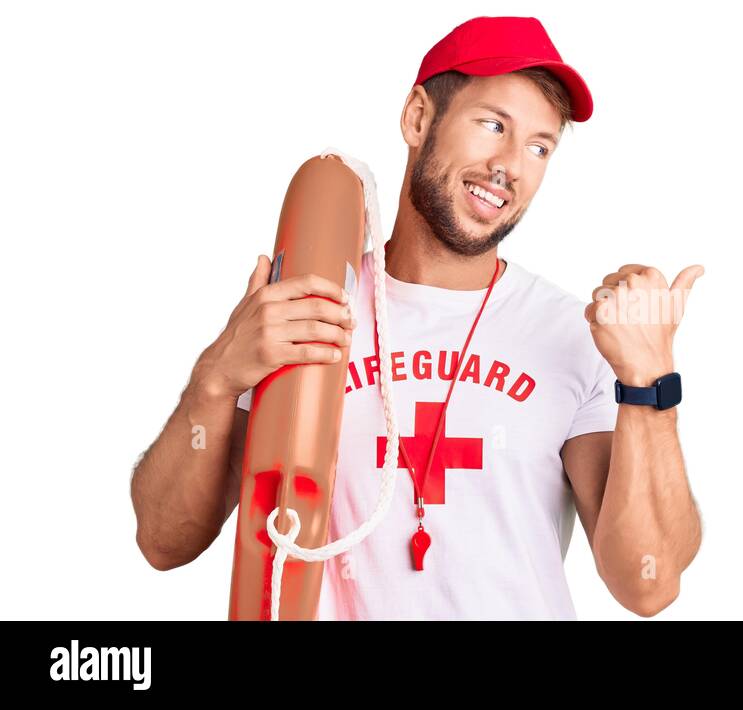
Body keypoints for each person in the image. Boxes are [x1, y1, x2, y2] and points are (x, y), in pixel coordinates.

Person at [129, 16, 703, 619]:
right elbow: (164, 542)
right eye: (492, 124)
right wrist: (216, 378)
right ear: (417, 118)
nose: (511, 164)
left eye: (539, 145)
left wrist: (649, 384)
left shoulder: (571, 334)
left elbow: (649, 584)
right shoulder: (308, 309)